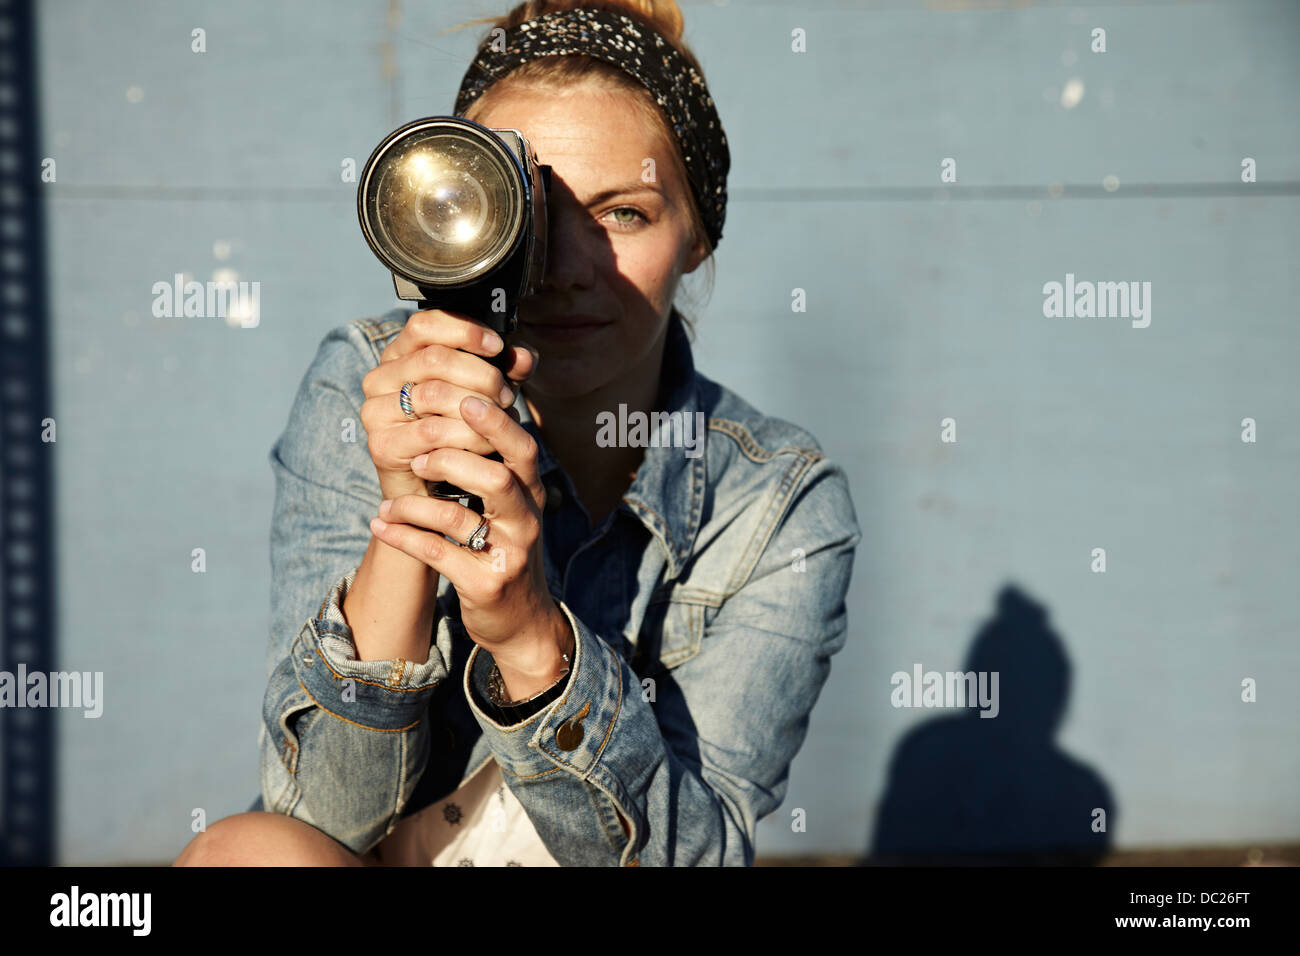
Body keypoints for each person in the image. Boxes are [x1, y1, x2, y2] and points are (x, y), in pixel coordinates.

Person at [175, 0, 860, 867]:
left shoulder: (777, 501)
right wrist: (410, 527)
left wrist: (531, 636)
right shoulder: (373, 386)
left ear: (698, 235)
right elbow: (319, 813)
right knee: (250, 854)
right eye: (531, 212)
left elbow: (695, 858)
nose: (572, 268)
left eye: (625, 214)